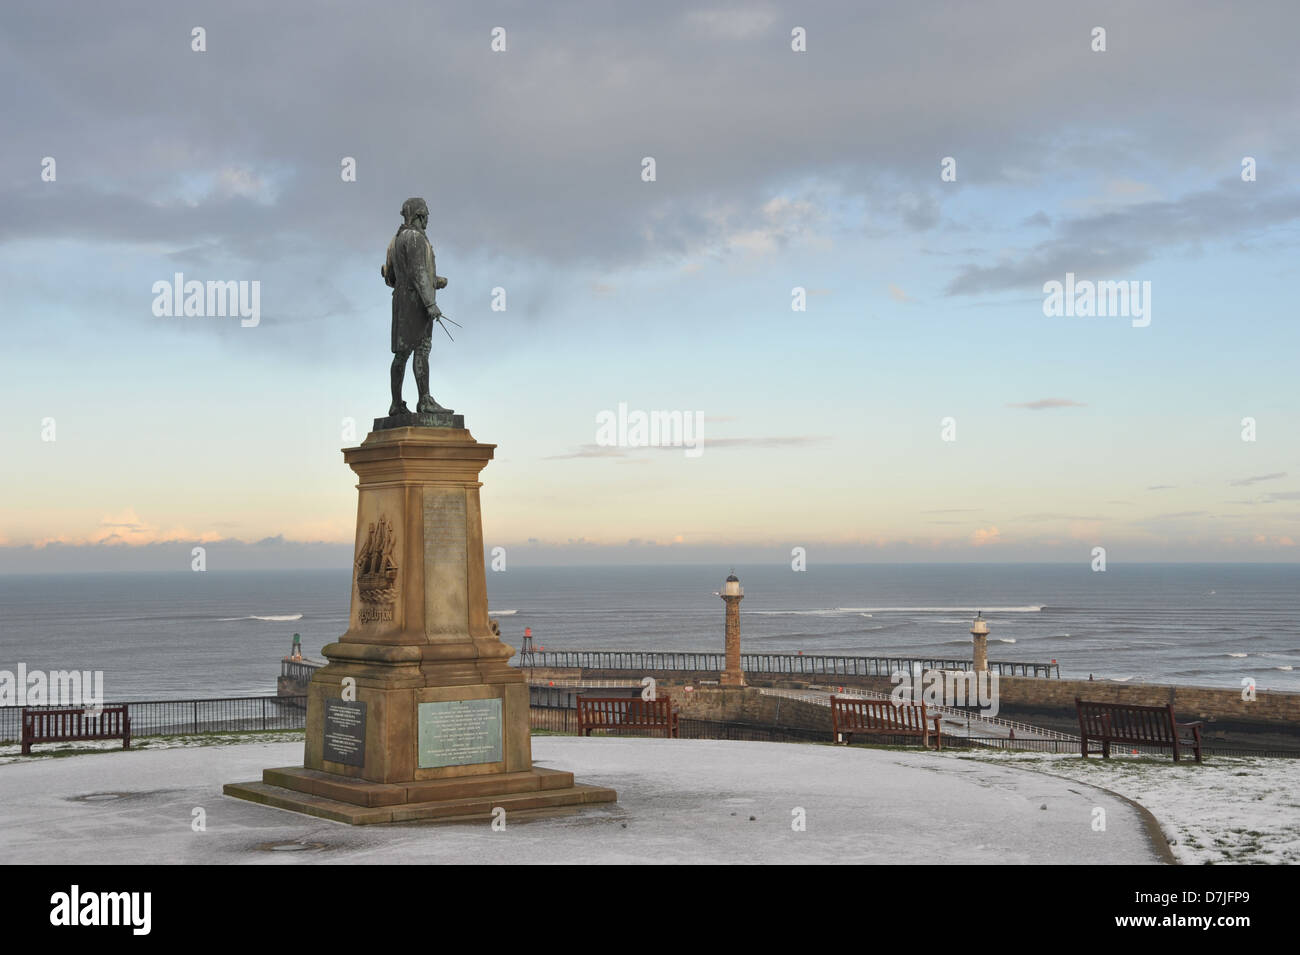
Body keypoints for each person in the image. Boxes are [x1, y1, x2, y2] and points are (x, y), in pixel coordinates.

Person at [381, 197, 449, 415]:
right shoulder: (417, 239)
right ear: (420, 215)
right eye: (426, 214)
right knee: (422, 349)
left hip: (400, 301)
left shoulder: (396, 240)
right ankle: (425, 400)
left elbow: (392, 277)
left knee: (401, 354)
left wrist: (436, 280)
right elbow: (419, 272)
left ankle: (396, 403)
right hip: (416, 304)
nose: (428, 218)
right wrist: (430, 303)